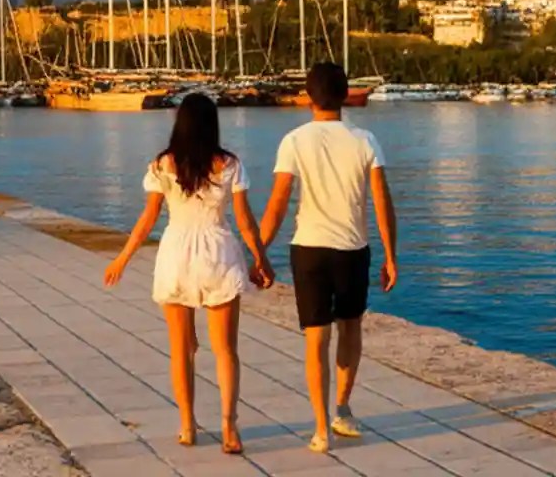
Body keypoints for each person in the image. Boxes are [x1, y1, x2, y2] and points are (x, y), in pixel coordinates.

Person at [103, 93, 274, 455]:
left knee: (182, 349)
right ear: (212, 125)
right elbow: (244, 220)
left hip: (176, 253)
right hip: (219, 253)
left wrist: (122, 259)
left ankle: (186, 425)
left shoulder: (162, 165)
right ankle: (229, 428)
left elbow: (147, 219)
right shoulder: (229, 164)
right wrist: (261, 259)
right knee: (226, 350)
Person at [260, 62, 398, 454]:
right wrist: (391, 254)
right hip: (353, 249)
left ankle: (320, 428)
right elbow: (382, 201)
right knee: (350, 329)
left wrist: (258, 251)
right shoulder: (365, 140)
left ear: (308, 97)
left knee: (315, 338)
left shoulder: (294, 140)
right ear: (344, 95)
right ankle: (342, 407)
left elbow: (278, 203)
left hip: (309, 249)